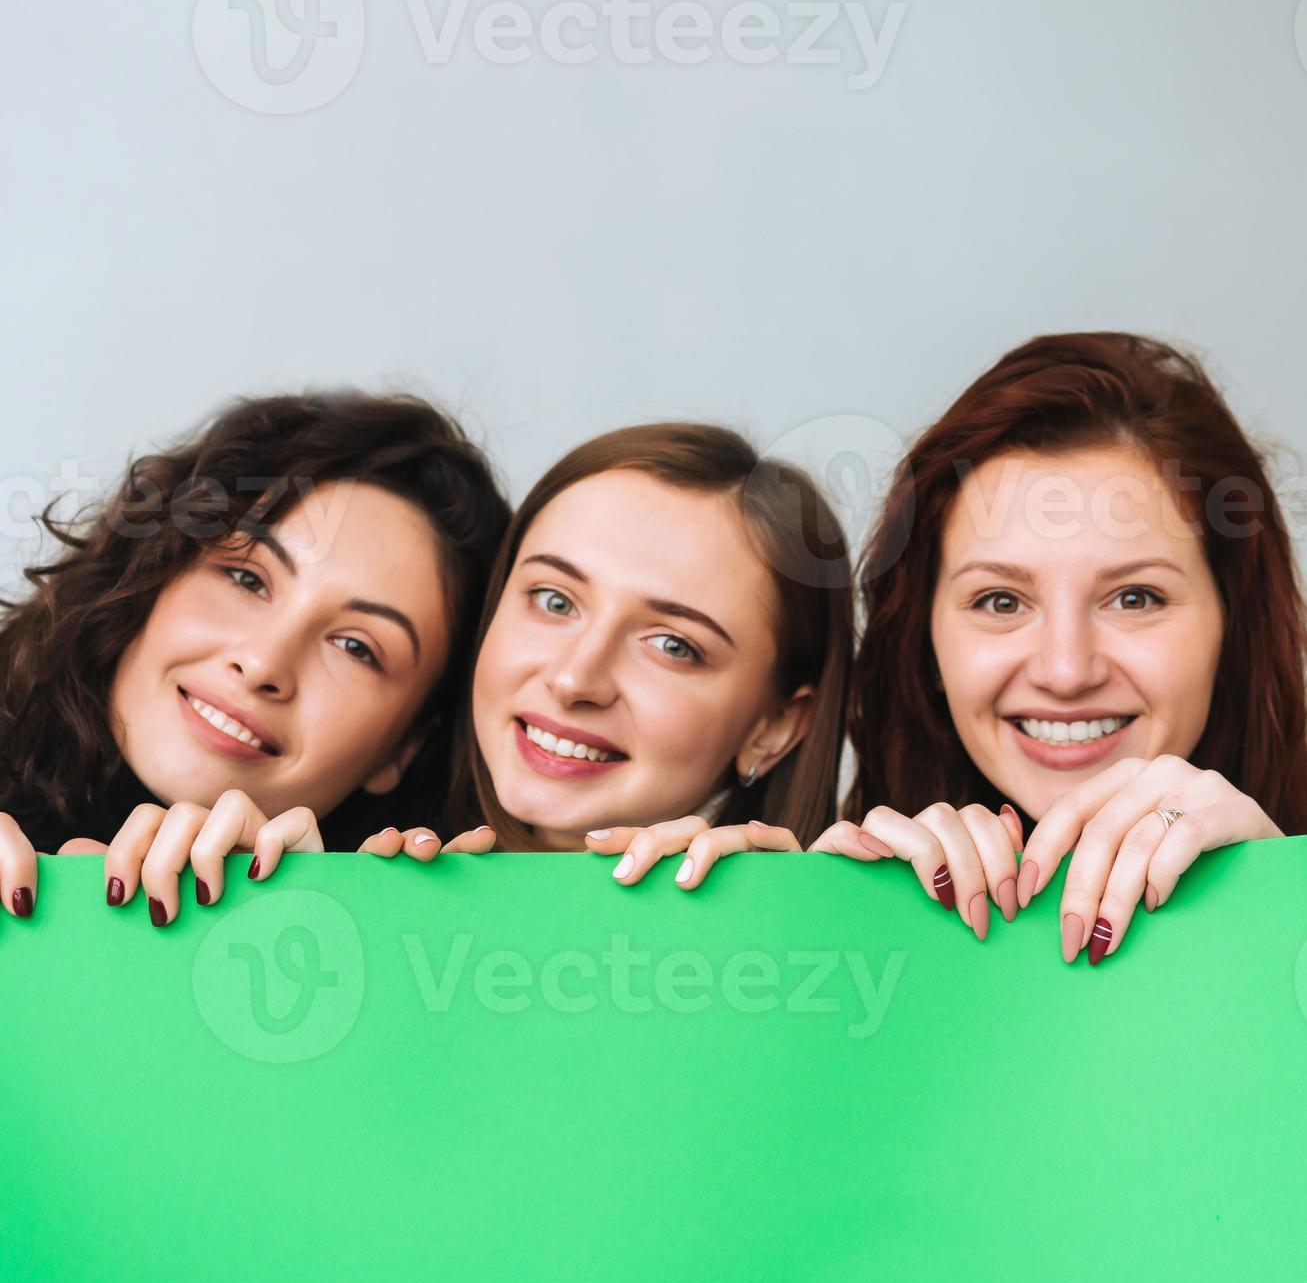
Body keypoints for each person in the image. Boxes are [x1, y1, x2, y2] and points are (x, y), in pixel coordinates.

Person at [813, 332, 1307, 961]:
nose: (1067, 671)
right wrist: (808, 915)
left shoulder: (1292, 902)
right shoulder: (821, 897)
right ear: (924, 644)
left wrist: (1282, 900)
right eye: (1001, 601)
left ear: (1233, 628)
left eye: (1135, 598)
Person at [232, 422, 852, 887]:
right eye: (555, 601)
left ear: (774, 728)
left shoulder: (830, 963)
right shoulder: (343, 871)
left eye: (673, 646)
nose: (575, 677)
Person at [0, 388, 509, 924]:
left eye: (356, 647)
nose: (264, 664)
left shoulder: (420, 945)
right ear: (149, 574)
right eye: (247, 579)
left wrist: (319, 914)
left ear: (405, 746)